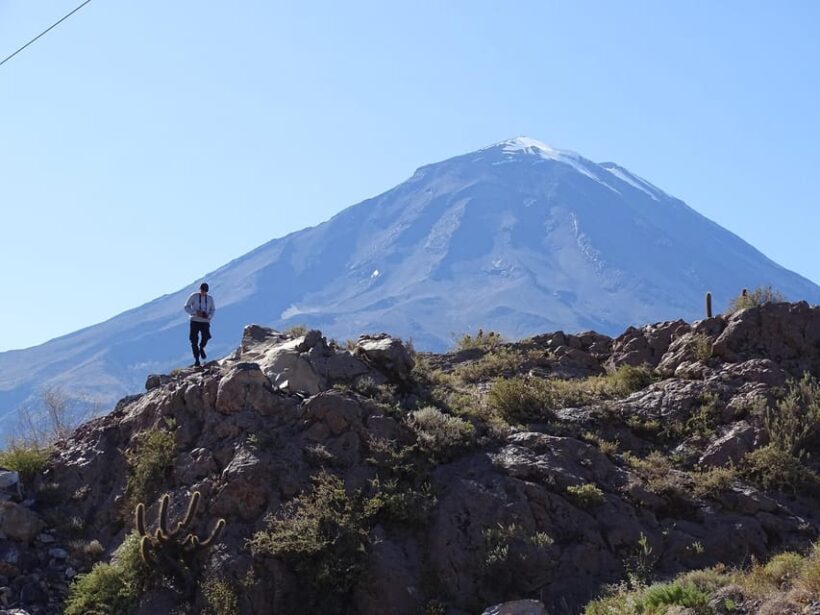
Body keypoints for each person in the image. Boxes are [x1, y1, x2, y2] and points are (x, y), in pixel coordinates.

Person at [184, 282, 215, 367]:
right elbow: (186, 306)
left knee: (206, 336)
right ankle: (197, 359)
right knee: (193, 340)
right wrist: (195, 313)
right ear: (200, 289)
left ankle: (201, 348)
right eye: (202, 291)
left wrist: (208, 316)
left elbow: (213, 309)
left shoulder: (210, 299)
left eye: (205, 291)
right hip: (195, 321)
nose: (203, 293)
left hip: (205, 321)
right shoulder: (194, 296)